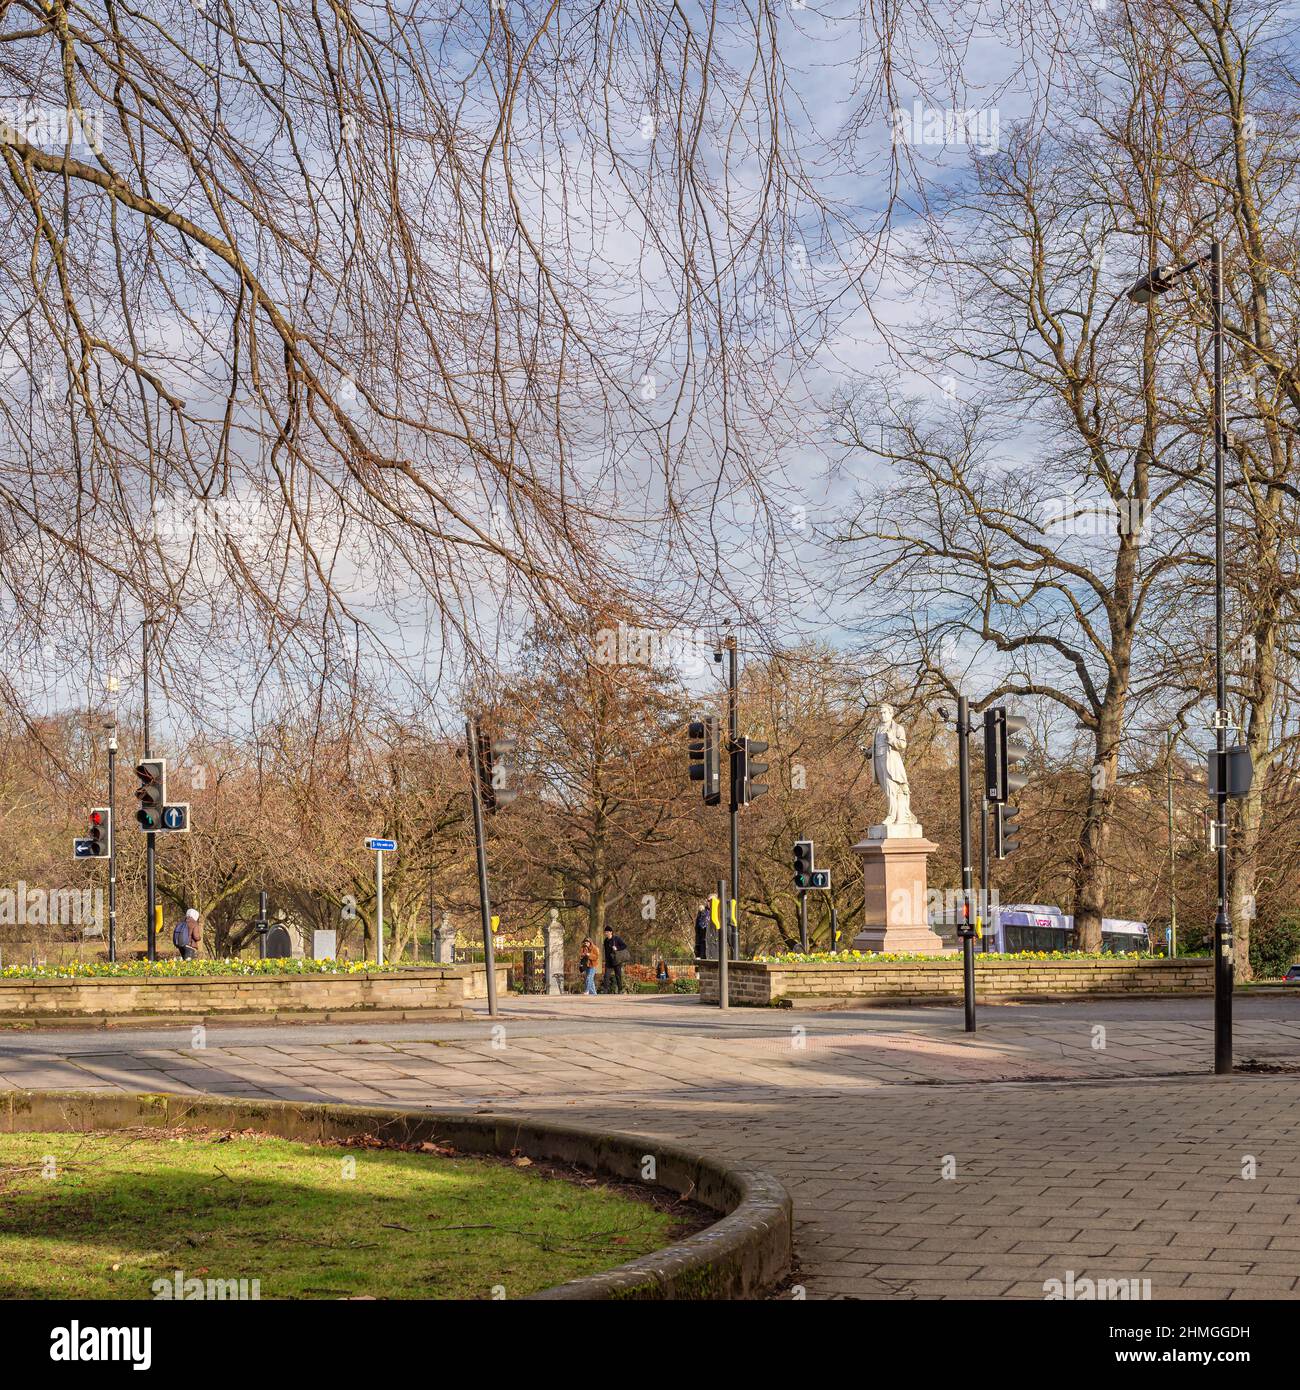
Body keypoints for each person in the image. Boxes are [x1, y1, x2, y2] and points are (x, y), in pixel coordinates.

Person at [601, 925, 628, 994]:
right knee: (606, 976)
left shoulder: (617, 939)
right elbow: (606, 952)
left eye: (607, 932)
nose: (605, 933)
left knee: (618, 976)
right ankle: (605, 990)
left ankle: (620, 989)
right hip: (609, 961)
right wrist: (605, 960)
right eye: (605, 932)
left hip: (617, 961)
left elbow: (624, 946)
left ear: (611, 932)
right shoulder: (605, 941)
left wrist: (617, 948)